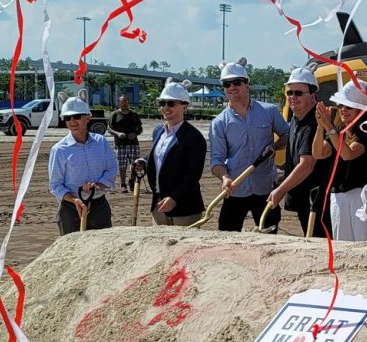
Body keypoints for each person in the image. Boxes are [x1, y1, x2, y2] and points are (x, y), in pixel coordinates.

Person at [208, 62, 290, 232]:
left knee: (270, 238)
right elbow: (216, 160)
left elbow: (287, 134)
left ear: (247, 84)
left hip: (265, 188)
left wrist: (274, 147)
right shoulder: (219, 123)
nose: (232, 87)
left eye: (237, 82)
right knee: (227, 238)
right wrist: (224, 177)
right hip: (236, 189)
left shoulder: (269, 111)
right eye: (227, 84)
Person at [265, 68, 331, 237]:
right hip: (304, 198)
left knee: (320, 245)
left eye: (299, 93)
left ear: (312, 95)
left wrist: (280, 190)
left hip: (317, 201)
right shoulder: (296, 118)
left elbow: (307, 165)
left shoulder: (314, 123)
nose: (293, 97)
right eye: (290, 92)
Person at [317, 81, 367, 241]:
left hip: (361, 195)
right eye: (341, 106)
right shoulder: (338, 130)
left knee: (363, 244)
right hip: (339, 195)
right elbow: (318, 153)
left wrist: (329, 127)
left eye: (349, 107)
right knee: (341, 245)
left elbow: (348, 153)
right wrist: (320, 126)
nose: (343, 110)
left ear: (360, 109)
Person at [137, 82, 207, 225]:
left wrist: (174, 197)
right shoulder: (158, 131)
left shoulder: (194, 137)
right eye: (162, 103)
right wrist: (143, 162)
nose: (165, 108)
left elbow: (193, 174)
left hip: (184, 208)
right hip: (159, 205)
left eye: (170, 103)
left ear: (184, 106)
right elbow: (161, 158)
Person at [48, 97, 119, 235]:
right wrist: (75, 200)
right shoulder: (59, 150)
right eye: (68, 117)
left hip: (99, 207)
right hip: (71, 211)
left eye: (76, 116)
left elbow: (111, 169)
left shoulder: (101, 142)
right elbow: (55, 185)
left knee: (102, 251)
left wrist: (99, 185)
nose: (72, 121)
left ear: (88, 117)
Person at [108, 95, 144, 191]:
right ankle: (123, 184)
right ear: (119, 103)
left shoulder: (134, 114)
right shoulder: (115, 114)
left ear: (128, 103)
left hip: (133, 144)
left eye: (125, 102)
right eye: (122, 102)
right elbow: (109, 129)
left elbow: (140, 129)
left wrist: (135, 134)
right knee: (122, 165)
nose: (124, 104)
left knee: (135, 164)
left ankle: (132, 181)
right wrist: (118, 133)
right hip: (120, 145)